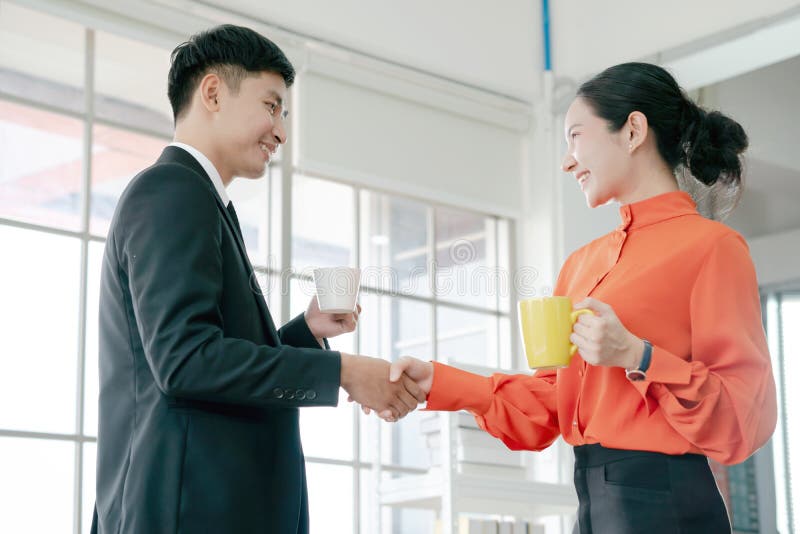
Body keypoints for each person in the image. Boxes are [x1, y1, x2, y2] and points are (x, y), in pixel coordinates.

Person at [384, 63, 777, 533]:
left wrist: (638, 355)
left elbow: (743, 419)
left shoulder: (712, 248)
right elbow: (548, 406)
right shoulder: (580, 265)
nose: (568, 161)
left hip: (669, 506)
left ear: (632, 130)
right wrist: (438, 382)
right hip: (592, 503)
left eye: (576, 136)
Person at [91, 24, 425, 534]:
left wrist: (306, 333)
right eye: (272, 106)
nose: (282, 132)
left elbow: (213, 354)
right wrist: (343, 372)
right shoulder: (173, 193)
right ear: (212, 93)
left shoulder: (200, 201)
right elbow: (184, 360)